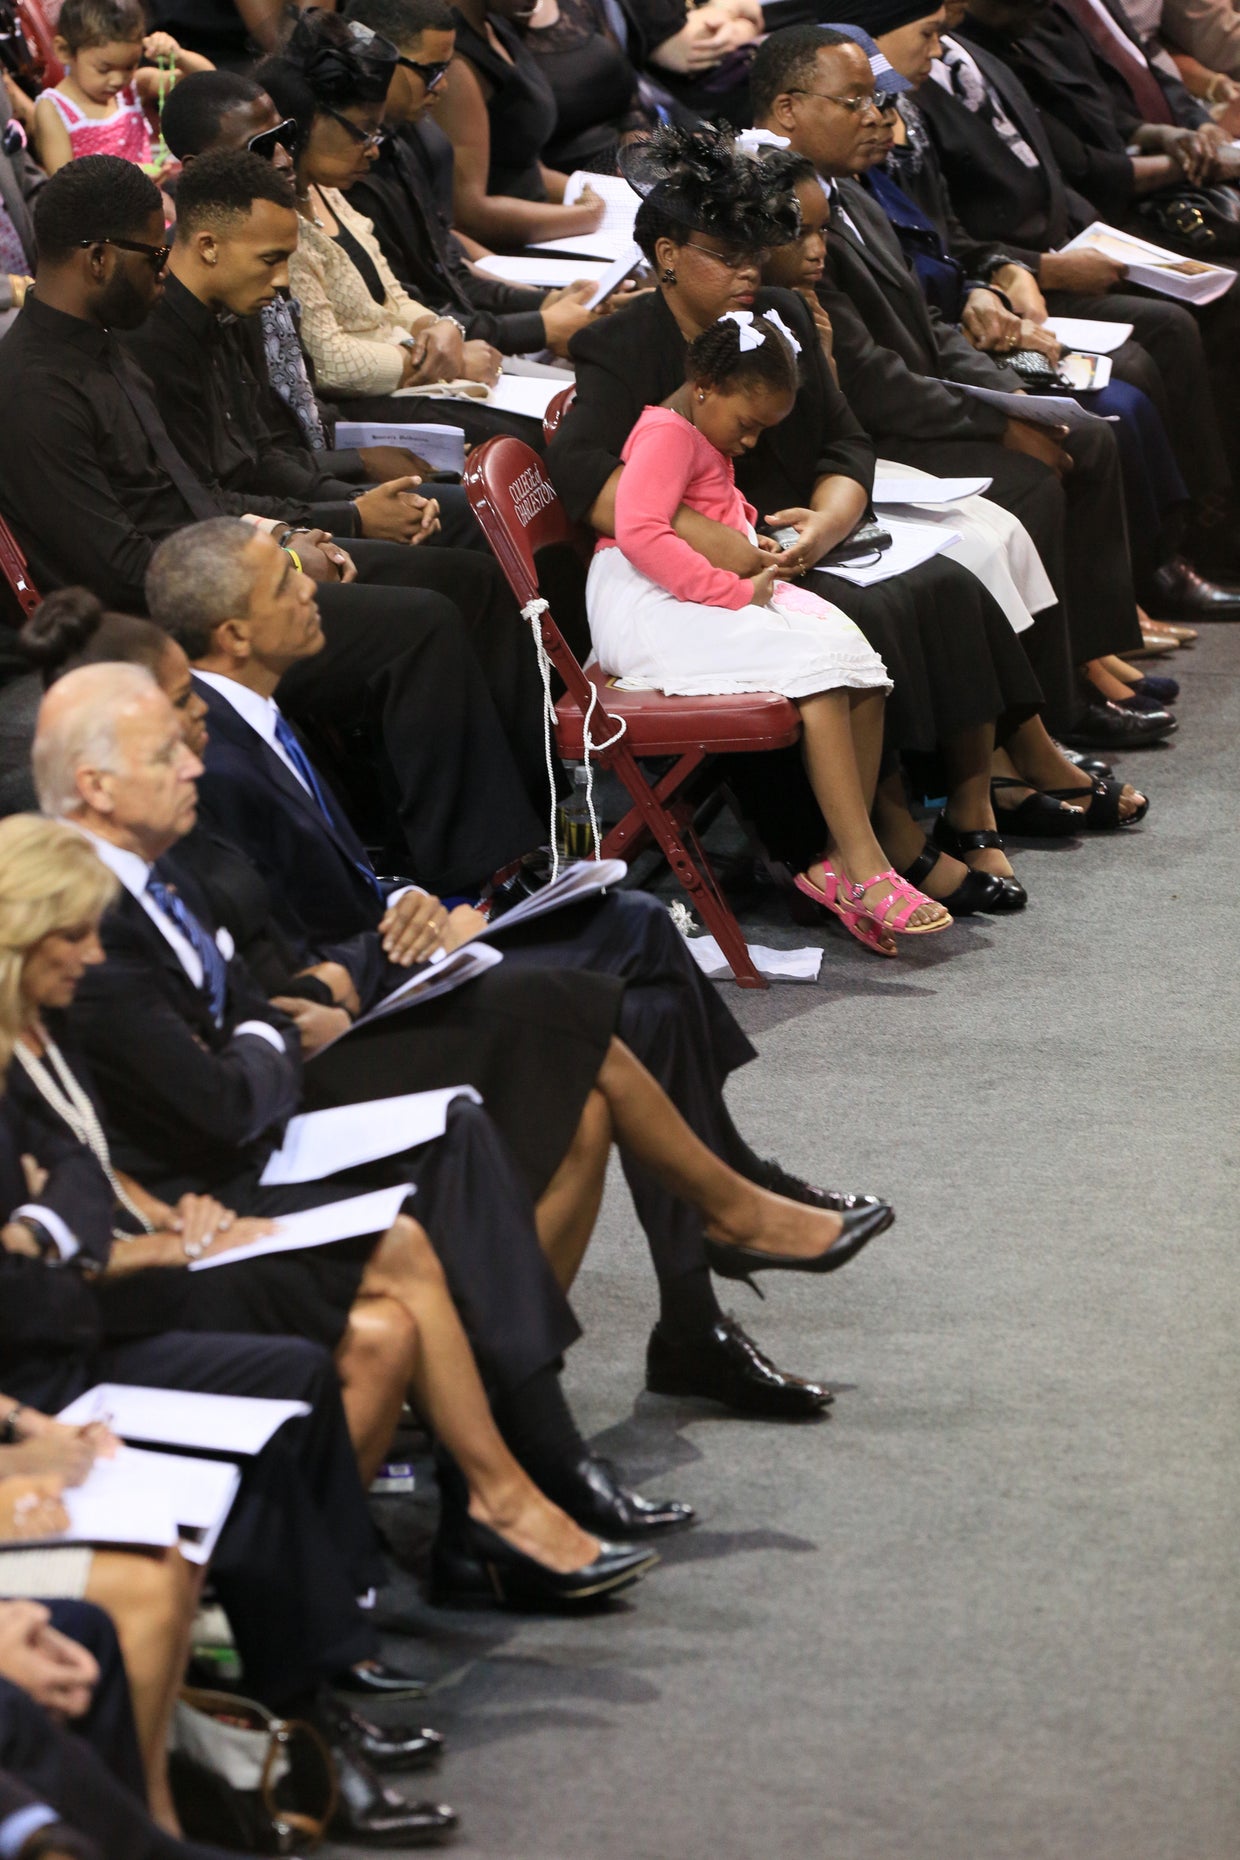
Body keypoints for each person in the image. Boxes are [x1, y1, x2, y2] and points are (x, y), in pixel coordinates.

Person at [140, 516, 894, 1417]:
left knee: (639, 932)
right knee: (617, 979)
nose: (313, 586)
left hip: (393, 956)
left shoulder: (259, 717)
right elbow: (272, 950)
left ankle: (704, 1274)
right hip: (356, 1020)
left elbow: (330, 878)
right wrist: (398, 936)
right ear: (233, 635)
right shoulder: (212, 760)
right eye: (285, 582)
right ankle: (716, 1232)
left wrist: (405, 900)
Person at [0, 152, 557, 896]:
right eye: (153, 252)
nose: (164, 272)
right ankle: (475, 875)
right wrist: (277, 562)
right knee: (418, 625)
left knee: (468, 578)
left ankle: (537, 820)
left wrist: (287, 540)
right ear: (99, 258)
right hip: (163, 617)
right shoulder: (34, 388)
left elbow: (197, 494)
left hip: (214, 567)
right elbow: (116, 566)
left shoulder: (102, 350)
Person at [546, 123, 1048, 912]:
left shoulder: (779, 314)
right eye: (725, 254)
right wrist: (715, 540)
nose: (749, 270)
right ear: (667, 255)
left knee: (943, 582)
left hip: (790, 541)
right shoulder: (620, 345)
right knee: (861, 614)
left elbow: (847, 440)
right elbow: (581, 476)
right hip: (701, 569)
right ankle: (864, 842)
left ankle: (962, 808)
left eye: (753, 252)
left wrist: (825, 522)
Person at [747, 27, 1179, 773]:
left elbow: (927, 320)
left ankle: (1079, 672)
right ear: (788, 108)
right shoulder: (772, 204)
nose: (876, 118)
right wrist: (998, 422)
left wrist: (1012, 400)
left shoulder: (842, 186)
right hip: (876, 433)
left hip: (914, 400)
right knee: (1031, 481)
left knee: (1079, 432)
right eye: (853, 102)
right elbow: (869, 377)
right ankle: (1038, 723)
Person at [593, 308, 951, 953]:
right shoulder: (666, 434)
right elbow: (640, 531)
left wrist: (747, 537)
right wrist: (730, 590)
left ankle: (842, 858)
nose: (752, 442)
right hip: (647, 604)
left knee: (856, 660)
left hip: (687, 588)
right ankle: (868, 869)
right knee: (813, 674)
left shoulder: (698, 431)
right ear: (705, 384)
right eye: (749, 425)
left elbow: (700, 512)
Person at [253, 11, 547, 443]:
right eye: (363, 132)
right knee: (531, 434)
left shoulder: (330, 194)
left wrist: (442, 329)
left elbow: (394, 298)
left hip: (410, 378)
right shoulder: (281, 227)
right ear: (308, 123)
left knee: (569, 408)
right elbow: (329, 362)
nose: (373, 151)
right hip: (364, 405)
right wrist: (442, 359)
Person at [340, 0, 603, 359]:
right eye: (431, 71)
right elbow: (408, 314)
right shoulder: (349, 174)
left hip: (463, 328)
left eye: (445, 70)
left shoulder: (406, 138)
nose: (443, 86)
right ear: (377, 59)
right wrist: (540, 324)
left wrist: (547, 302)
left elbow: (448, 272)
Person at [432, 0, 610, 246]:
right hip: (505, 250)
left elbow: (523, 168)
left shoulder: (497, 26)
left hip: (539, 225)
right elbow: (469, 214)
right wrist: (586, 216)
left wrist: (593, 193)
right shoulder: (457, 60)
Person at [33, 0, 213, 176]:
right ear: (64, 50)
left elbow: (207, 78)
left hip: (148, 197)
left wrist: (178, 55)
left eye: (129, 67)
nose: (118, 79)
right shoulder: (53, 108)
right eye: (104, 69)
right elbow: (63, 181)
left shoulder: (134, 87)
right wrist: (125, 175)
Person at [521, 0, 654, 174]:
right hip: (565, 185)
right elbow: (516, 170)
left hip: (621, 163)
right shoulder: (491, 27)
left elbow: (628, 101)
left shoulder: (580, 4)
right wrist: (597, 191)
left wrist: (638, 148)